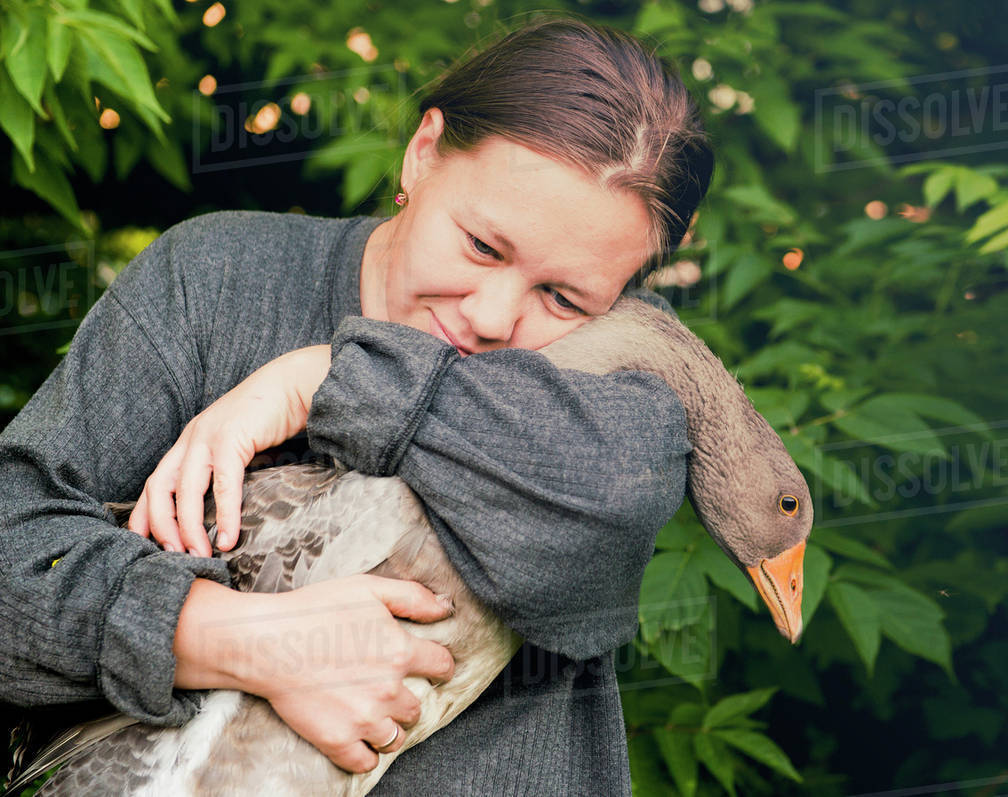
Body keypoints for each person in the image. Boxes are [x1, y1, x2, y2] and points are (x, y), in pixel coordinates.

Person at [0, 15, 713, 794]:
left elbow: (610, 498)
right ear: (423, 152)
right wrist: (238, 639)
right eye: (482, 246)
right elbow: (14, 543)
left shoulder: (629, 382)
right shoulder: (218, 278)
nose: (490, 316)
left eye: (565, 296)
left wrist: (323, 379)